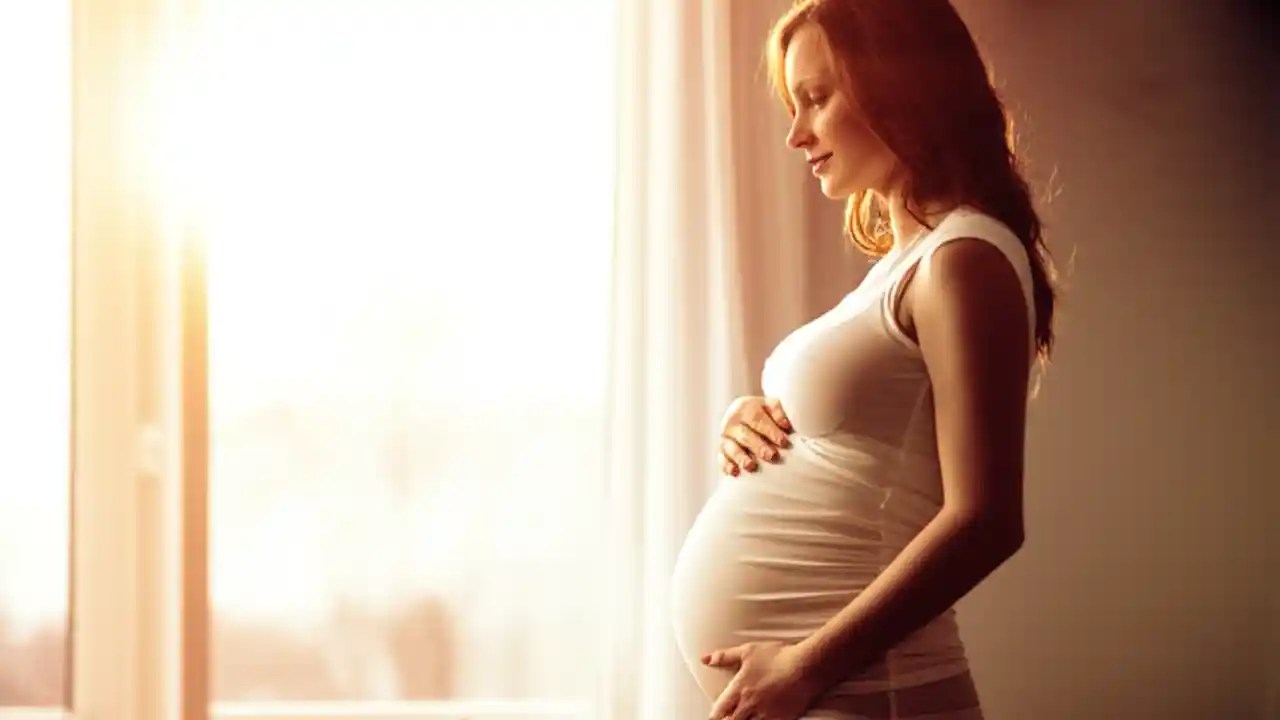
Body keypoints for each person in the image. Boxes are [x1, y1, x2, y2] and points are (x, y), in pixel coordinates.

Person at [669, 1, 1060, 718]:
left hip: (871, 692)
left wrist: (804, 667)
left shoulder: (962, 259)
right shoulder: (907, 261)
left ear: (900, 86)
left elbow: (987, 520)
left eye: (816, 98)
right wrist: (750, 420)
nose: (796, 133)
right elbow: (870, 435)